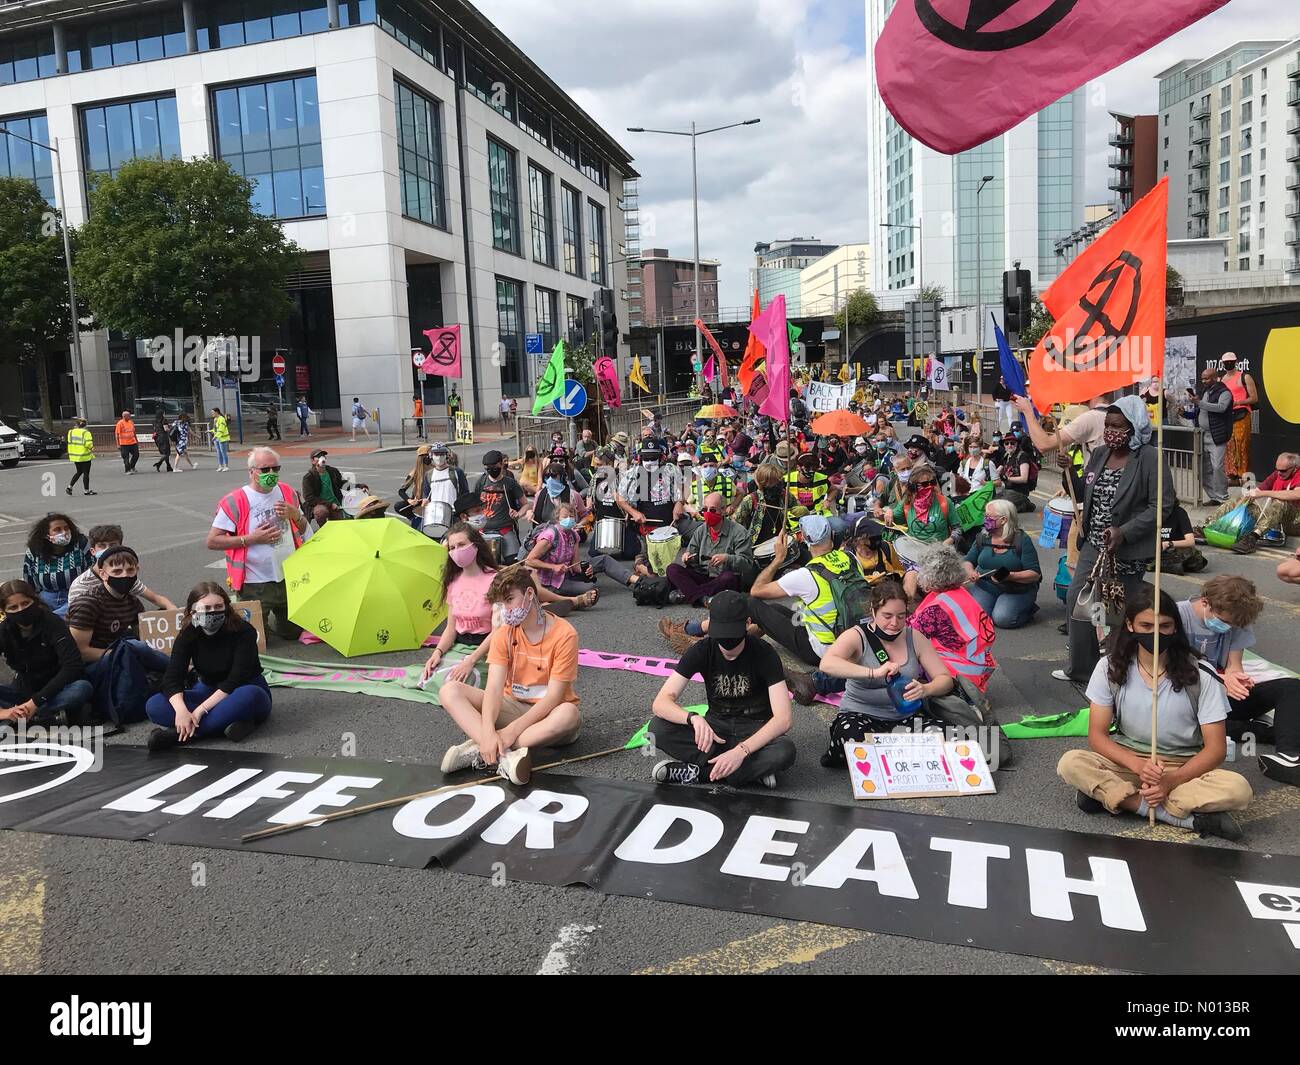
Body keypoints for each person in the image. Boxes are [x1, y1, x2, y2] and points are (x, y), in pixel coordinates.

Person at [1057, 586, 1250, 841]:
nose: (1155, 634)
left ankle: (1115, 797)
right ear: (1130, 625)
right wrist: (1138, 766)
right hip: (1128, 761)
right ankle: (1173, 814)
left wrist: (1170, 781)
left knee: (1238, 789)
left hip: (1183, 767)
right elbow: (1097, 737)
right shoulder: (1110, 667)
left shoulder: (1202, 674)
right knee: (1071, 762)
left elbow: (1215, 750)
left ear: (1175, 628)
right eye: (1146, 626)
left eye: (1164, 626)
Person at [1056, 397, 1173, 685]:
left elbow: (1162, 505)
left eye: (1117, 426)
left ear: (1134, 427)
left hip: (1125, 550)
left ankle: (1117, 668)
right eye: (1107, 424)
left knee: (1114, 611)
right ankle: (1082, 669)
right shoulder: (1099, 453)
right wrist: (1068, 470)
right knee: (1077, 600)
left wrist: (1126, 531)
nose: (1110, 431)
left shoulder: (1149, 458)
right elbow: (1082, 492)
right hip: (1094, 545)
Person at [437, 566, 582, 784]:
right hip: (513, 706)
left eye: (510, 599)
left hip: (550, 713)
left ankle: (484, 748)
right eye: (501, 604)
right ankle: (502, 753)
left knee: (569, 715)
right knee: (450, 690)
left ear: (530, 595)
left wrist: (509, 732)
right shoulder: (504, 633)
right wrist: (488, 730)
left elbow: (553, 697)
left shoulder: (565, 634)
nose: (506, 609)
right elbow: (494, 689)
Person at [647, 591, 795, 787]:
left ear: (747, 623)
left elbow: (783, 719)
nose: (727, 645)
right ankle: (748, 773)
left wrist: (741, 751)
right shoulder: (702, 650)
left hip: (754, 728)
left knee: (785, 750)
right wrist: (693, 718)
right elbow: (661, 703)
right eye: (721, 636)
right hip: (715, 728)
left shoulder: (764, 653)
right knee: (657, 729)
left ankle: (699, 773)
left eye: (732, 636)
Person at [816, 576, 956, 766]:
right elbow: (827, 663)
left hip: (905, 718)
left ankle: (895, 757)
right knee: (855, 742)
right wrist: (873, 672)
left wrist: (926, 690)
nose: (894, 623)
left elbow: (945, 678)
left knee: (950, 738)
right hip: (860, 716)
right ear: (874, 612)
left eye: (901, 616)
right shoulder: (857, 636)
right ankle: (896, 756)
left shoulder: (914, 637)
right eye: (887, 616)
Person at [1176, 576, 1300, 786]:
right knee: (1189, 725)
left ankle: (1288, 756)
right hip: (1183, 695)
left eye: (1233, 625)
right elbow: (1169, 668)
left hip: (1217, 694)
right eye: (1225, 622)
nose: (1228, 627)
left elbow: (1234, 665)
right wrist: (1220, 679)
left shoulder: (1237, 618)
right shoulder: (1176, 616)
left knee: (1291, 687)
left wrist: (1237, 679)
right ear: (1205, 602)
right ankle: (1261, 730)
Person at [145, 582, 271, 750]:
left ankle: (183, 735)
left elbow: (234, 681)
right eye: (207, 608)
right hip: (207, 690)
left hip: (243, 690)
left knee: (249, 695)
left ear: (227, 608)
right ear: (193, 611)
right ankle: (228, 724)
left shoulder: (243, 631)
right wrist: (181, 711)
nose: (213, 612)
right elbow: (172, 678)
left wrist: (199, 711)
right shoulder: (189, 634)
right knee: (155, 705)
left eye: (219, 606)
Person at [747, 515, 859, 704]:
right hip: (853, 641)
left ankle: (737, 642)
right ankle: (748, 637)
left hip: (822, 651)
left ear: (804, 539)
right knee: (776, 609)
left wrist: (778, 559)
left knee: (752, 604)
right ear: (831, 535)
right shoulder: (850, 557)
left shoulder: (806, 575)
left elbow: (757, 591)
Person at [206, 447, 308, 640]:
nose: (271, 474)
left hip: (288, 577)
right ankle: (261, 625)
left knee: (293, 634)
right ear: (251, 471)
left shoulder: (287, 492)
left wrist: (295, 514)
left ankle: (275, 621)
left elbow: (303, 529)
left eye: (275, 469)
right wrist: (251, 539)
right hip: (254, 582)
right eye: (265, 470)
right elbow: (212, 541)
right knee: (257, 640)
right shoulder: (235, 500)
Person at [65, 546, 170, 723]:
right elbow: (80, 652)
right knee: (132, 647)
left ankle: (178, 670)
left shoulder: (132, 601)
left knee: (135, 645)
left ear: (137, 570)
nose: (124, 576)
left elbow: (147, 638)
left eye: (130, 570)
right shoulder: (88, 602)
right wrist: (120, 654)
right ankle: (181, 669)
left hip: (118, 656)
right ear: (103, 574)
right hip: (90, 666)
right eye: (117, 571)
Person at [909, 544, 998, 696]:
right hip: (977, 671)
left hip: (957, 679)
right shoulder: (960, 593)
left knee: (911, 648)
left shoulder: (936, 609)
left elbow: (910, 635)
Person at [0, 580, 93, 726]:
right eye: (13, 607)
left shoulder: (52, 622)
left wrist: (35, 703)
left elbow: (73, 666)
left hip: (56, 690)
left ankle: (25, 717)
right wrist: (3, 712)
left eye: (25, 603)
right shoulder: (4, 630)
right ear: (4, 610)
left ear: (35, 600)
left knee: (82, 689)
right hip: (23, 691)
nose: (20, 610)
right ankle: (33, 716)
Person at [420, 524, 500, 687]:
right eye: (452, 547)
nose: (457, 550)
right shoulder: (453, 581)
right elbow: (451, 628)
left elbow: (498, 631)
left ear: (476, 546)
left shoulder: (494, 580)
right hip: (459, 646)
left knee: (456, 685)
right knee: (427, 680)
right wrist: (437, 652)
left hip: (486, 650)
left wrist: (471, 661)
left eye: (462, 545)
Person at [1198, 451, 1300, 555]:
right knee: (1236, 500)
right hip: (1274, 518)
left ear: (1295, 468)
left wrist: (1265, 493)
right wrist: (1240, 506)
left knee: (1280, 502)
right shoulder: (1277, 475)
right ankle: (1207, 527)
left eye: (1283, 471)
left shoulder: (1298, 475)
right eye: (1277, 469)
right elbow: (1256, 492)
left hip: (1294, 522)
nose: (1279, 473)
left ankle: (1252, 538)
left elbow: (1297, 494)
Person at [666, 491, 754, 606]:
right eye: (705, 510)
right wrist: (687, 557)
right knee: (672, 569)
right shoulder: (701, 530)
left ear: (723, 510)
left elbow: (747, 564)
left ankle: (689, 593)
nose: (707, 513)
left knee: (729, 578)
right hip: (703, 574)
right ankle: (703, 598)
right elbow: (691, 553)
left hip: (722, 578)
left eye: (712, 510)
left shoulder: (739, 532)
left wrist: (727, 558)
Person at [963, 498, 1041, 629]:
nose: (985, 519)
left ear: (1004, 520)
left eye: (989, 516)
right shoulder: (983, 537)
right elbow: (968, 560)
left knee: (1003, 619)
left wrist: (1011, 576)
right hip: (986, 586)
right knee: (978, 618)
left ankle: (1027, 610)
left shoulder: (1021, 540)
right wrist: (970, 572)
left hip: (1015, 589)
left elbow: (1034, 574)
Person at [67, 525, 175, 613]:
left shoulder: (125, 576)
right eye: (102, 545)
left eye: (112, 545)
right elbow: (78, 619)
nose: (107, 549)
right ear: (93, 551)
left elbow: (156, 598)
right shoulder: (81, 585)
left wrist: (174, 612)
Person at [523, 501, 598, 603]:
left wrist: (587, 569)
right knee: (591, 588)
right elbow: (529, 561)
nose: (569, 519)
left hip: (564, 577)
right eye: (565, 516)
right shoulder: (550, 535)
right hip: (549, 581)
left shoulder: (574, 536)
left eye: (571, 516)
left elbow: (576, 566)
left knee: (592, 582)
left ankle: (554, 597)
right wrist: (554, 567)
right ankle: (553, 596)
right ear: (558, 519)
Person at [23, 514, 91, 617]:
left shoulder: (81, 544)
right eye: (57, 530)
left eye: (66, 528)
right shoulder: (34, 551)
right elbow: (29, 581)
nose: (64, 532)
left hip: (76, 596)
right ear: (46, 535)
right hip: (46, 599)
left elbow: (92, 570)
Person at [397, 442, 468, 531]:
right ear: (431, 456)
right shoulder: (429, 475)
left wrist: (463, 511)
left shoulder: (457, 472)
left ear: (446, 455)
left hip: (454, 513)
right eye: (436, 454)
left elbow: (465, 493)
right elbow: (426, 496)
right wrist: (424, 501)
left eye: (442, 454)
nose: (439, 457)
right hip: (436, 515)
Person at [473, 450, 527, 561]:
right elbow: (474, 506)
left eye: (494, 466)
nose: (491, 470)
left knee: (514, 562)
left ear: (501, 464)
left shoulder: (510, 483)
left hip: (505, 530)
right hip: (483, 531)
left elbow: (526, 505)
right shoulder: (481, 483)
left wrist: (518, 514)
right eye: (488, 468)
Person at [1194, 364, 1232, 505]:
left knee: (1217, 467)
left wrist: (1199, 403)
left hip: (1216, 436)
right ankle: (1214, 497)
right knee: (1202, 469)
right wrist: (1185, 413)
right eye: (1202, 379)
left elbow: (1221, 408)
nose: (1203, 381)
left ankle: (1222, 497)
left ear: (1215, 378)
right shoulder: (1205, 391)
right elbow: (1200, 411)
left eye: (1207, 379)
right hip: (1202, 435)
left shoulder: (1225, 392)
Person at [1219, 351, 1258, 485]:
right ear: (1223, 364)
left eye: (1230, 361)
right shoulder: (1222, 380)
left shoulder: (1245, 377)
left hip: (1241, 413)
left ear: (1236, 362)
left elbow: (1254, 398)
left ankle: (1244, 477)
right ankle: (1233, 476)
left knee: (1242, 444)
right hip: (1227, 415)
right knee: (1229, 446)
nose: (1228, 364)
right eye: (1225, 362)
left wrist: (1238, 402)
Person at [302, 449, 349, 526]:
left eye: (323, 456)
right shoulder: (309, 477)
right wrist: (329, 504)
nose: (322, 458)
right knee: (321, 512)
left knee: (341, 524)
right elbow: (309, 498)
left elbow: (342, 484)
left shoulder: (332, 471)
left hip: (336, 503)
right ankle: (323, 528)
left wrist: (359, 487)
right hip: (320, 504)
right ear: (313, 461)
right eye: (318, 456)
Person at [65, 416, 96, 496]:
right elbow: (88, 443)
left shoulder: (71, 432)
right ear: (85, 425)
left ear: (76, 424)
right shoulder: (86, 433)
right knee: (86, 473)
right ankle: (86, 490)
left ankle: (70, 487)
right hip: (84, 455)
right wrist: (91, 448)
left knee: (79, 472)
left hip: (75, 456)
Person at [115, 410, 139, 475]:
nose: (130, 416)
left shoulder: (131, 422)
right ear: (124, 416)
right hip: (124, 443)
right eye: (129, 415)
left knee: (136, 455)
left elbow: (134, 432)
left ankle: (132, 466)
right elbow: (117, 434)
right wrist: (118, 444)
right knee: (126, 457)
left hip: (132, 442)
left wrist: (136, 440)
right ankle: (127, 470)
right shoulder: (120, 423)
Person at [210, 408, 231, 472]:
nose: (212, 414)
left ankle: (226, 466)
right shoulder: (215, 419)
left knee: (223, 452)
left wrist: (214, 437)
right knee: (219, 452)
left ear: (217, 412)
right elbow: (216, 429)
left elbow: (221, 429)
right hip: (217, 438)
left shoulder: (222, 419)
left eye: (213, 412)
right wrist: (210, 431)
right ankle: (220, 466)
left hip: (223, 438)